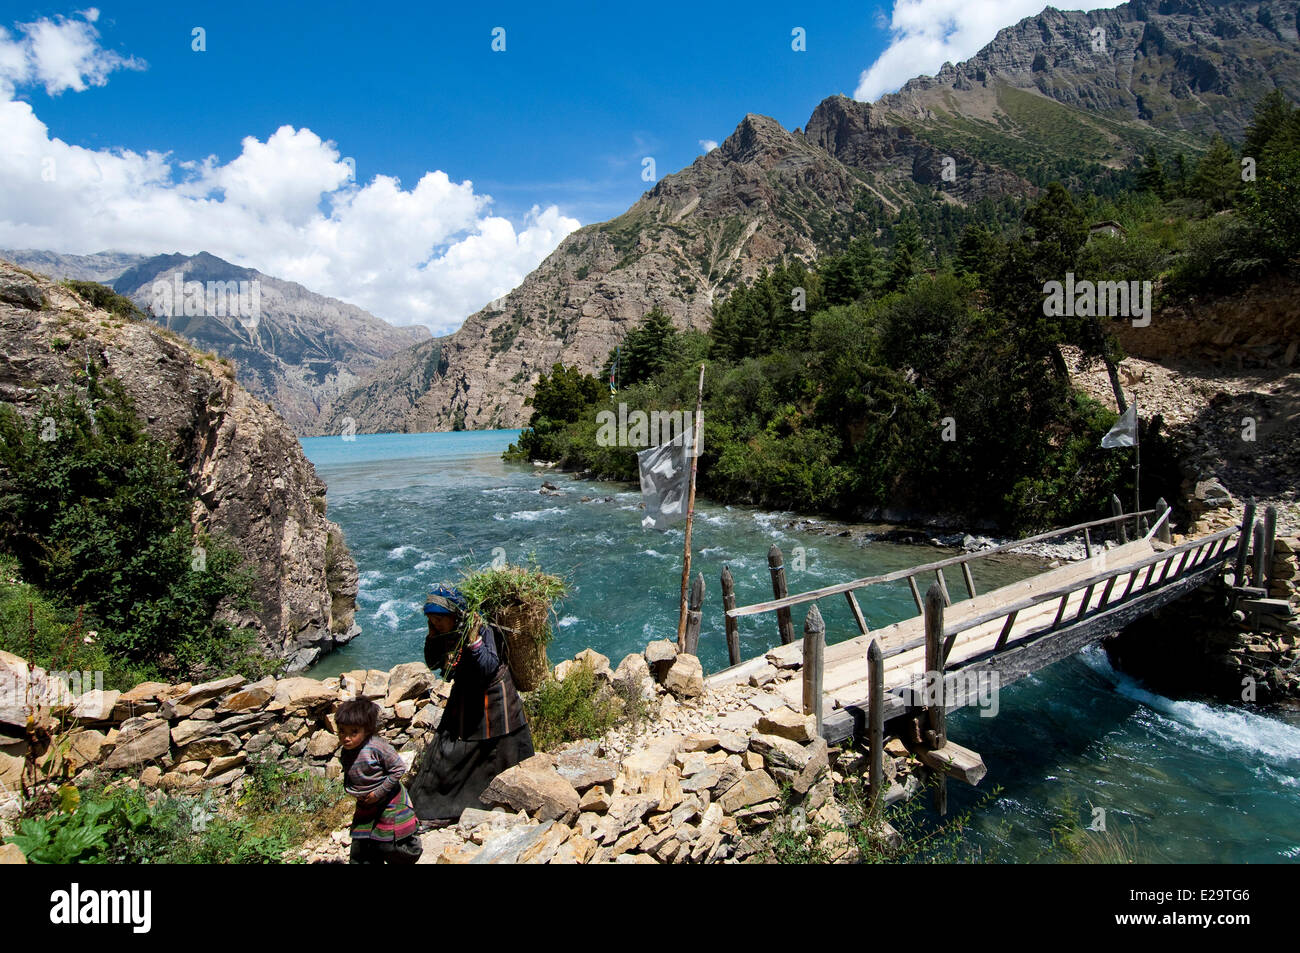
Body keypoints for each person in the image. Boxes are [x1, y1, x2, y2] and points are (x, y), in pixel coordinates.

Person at [407, 584, 535, 825]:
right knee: (449, 750)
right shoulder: (443, 632)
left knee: (501, 752)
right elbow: (433, 662)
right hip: (466, 696)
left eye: (438, 619)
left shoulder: (482, 628)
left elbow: (488, 666)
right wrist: (433, 635)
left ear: (455, 616)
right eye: (431, 619)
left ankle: (507, 801)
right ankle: (437, 809)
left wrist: (474, 640)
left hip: (494, 700)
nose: (435, 623)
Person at [335, 698, 423, 864]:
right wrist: (353, 791)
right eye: (341, 731)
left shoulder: (377, 747)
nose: (346, 738)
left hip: (389, 800)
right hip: (366, 803)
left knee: (391, 845)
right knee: (361, 847)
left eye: (353, 732)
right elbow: (350, 775)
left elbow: (398, 768)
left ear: (367, 730)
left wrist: (378, 792)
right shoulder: (346, 752)